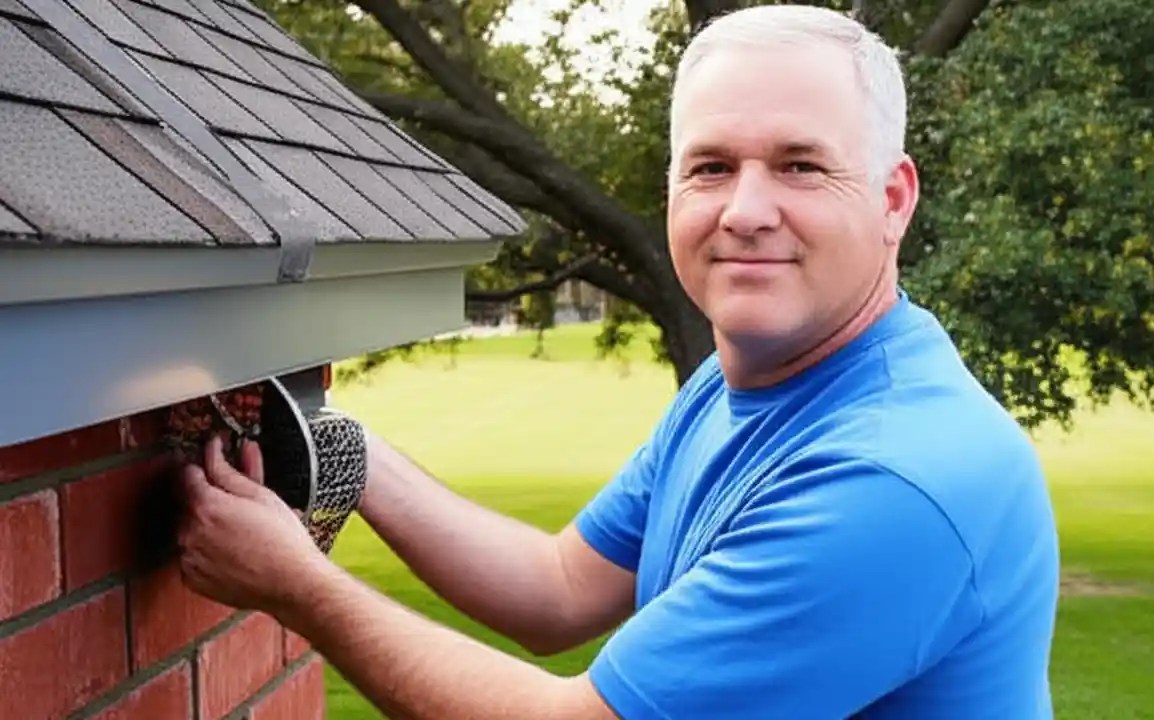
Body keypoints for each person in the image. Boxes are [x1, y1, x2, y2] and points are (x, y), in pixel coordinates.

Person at [176, 5, 1060, 719]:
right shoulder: (736, 385)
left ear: (892, 199)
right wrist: (343, 449)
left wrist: (298, 586)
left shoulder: (895, 483)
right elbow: (559, 589)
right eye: (711, 166)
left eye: (799, 165)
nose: (747, 209)